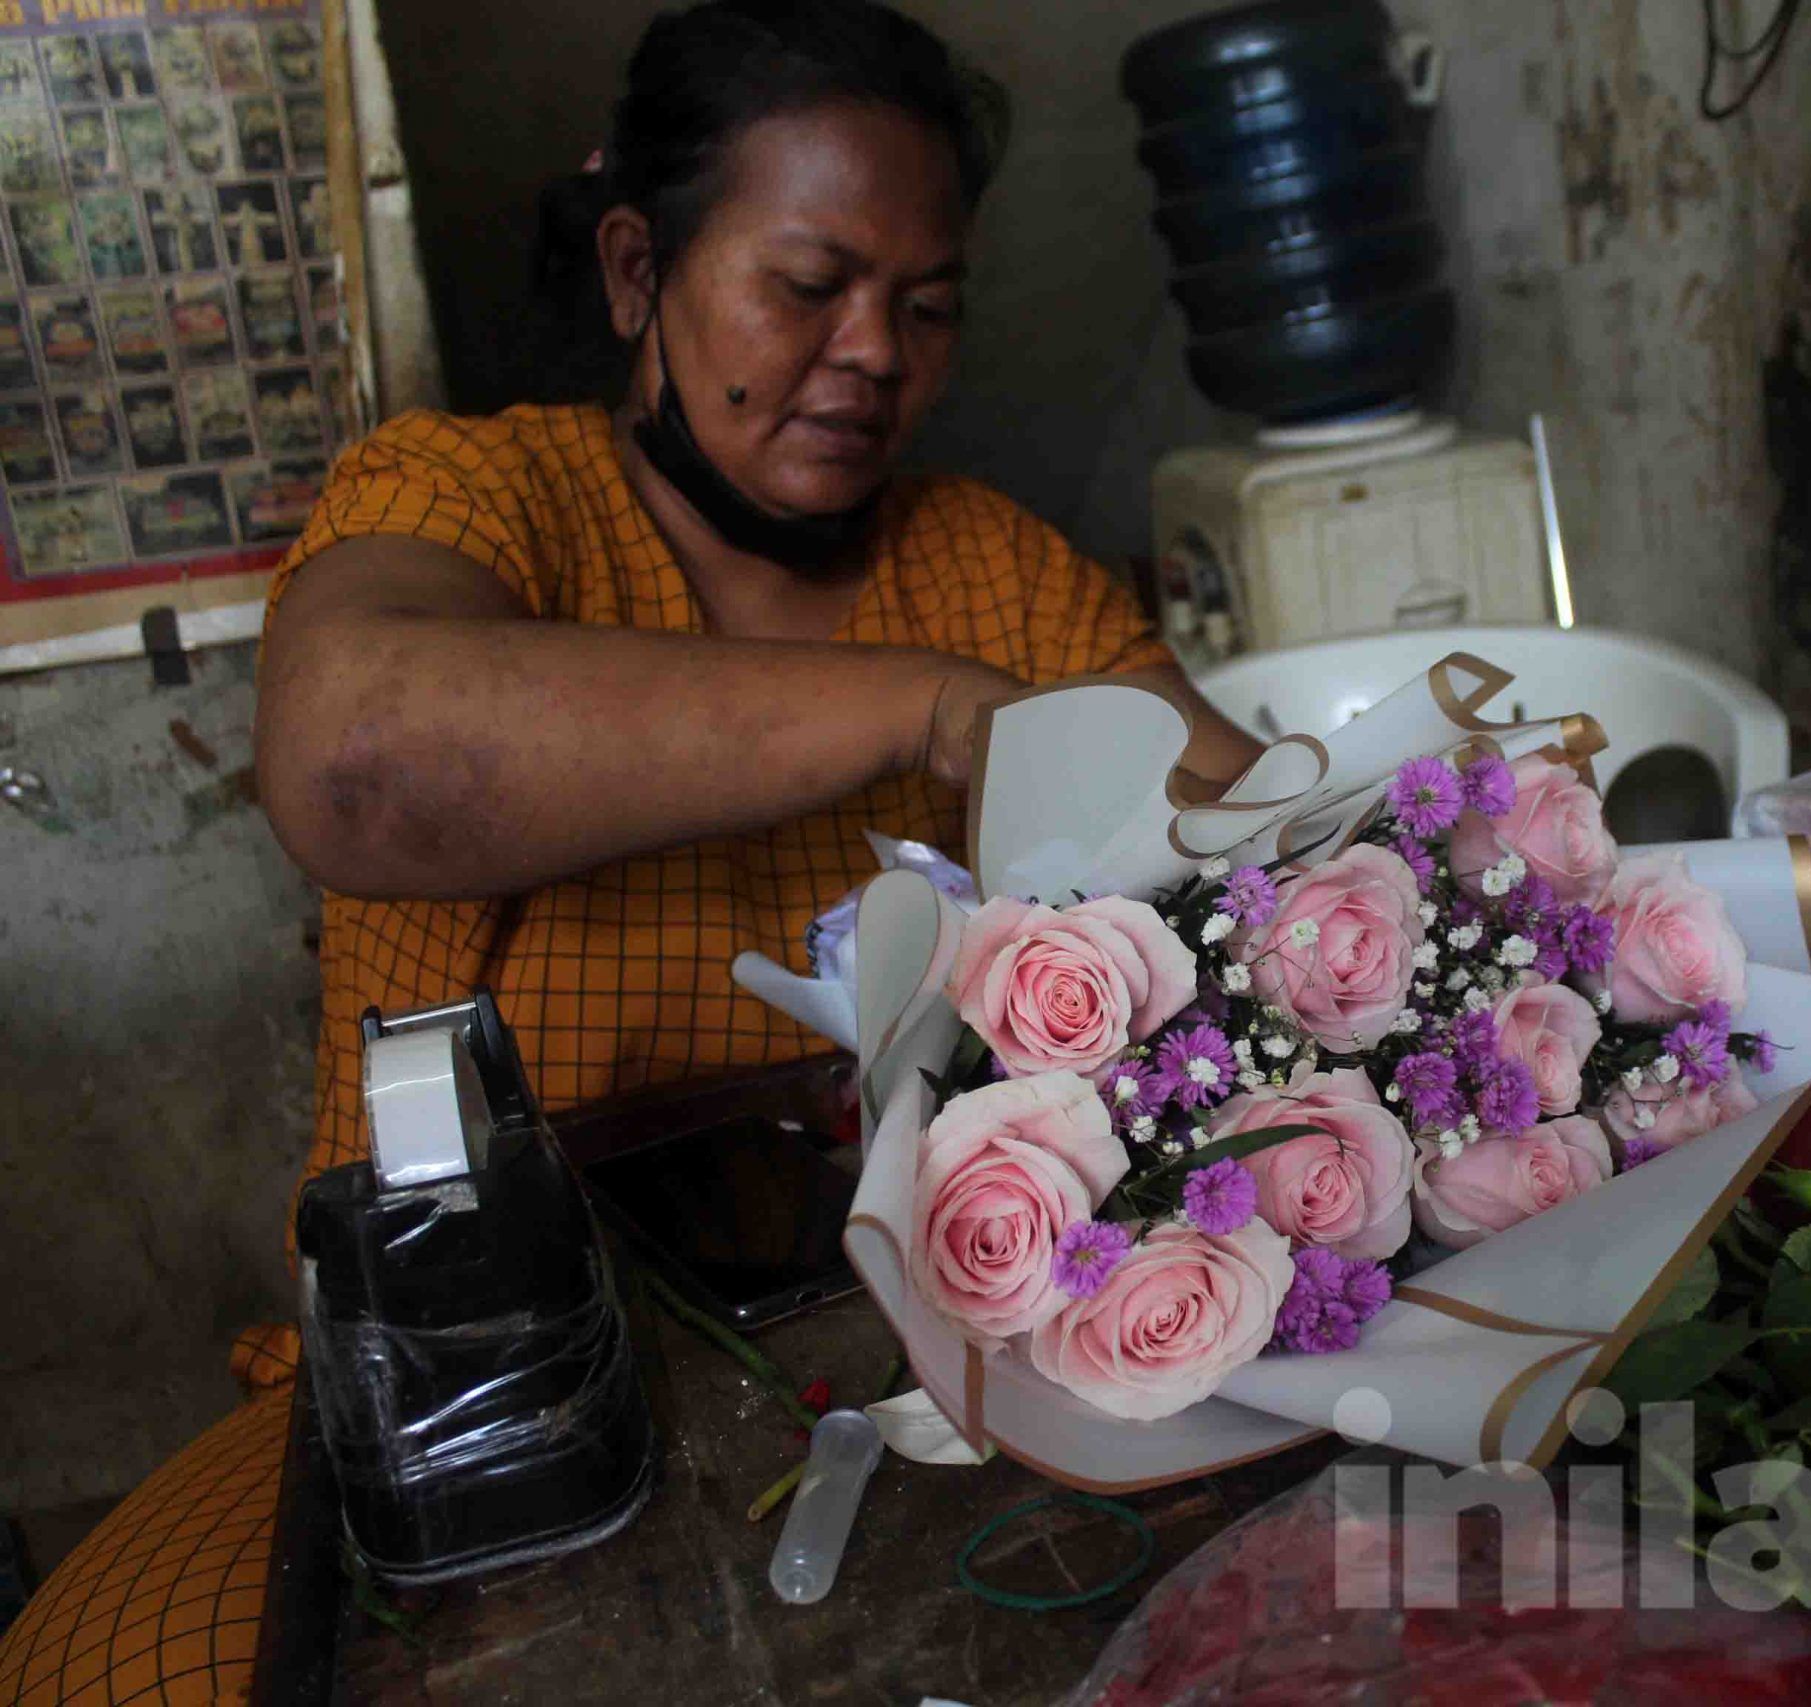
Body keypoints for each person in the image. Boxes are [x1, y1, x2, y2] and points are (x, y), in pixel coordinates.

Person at [0, 4, 1254, 1700]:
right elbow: (358, 763)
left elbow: (1253, 844)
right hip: (489, 1413)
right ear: (634, 271)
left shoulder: (991, 566)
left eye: (928, 304)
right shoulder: (477, 498)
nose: (876, 350)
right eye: (810, 287)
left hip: (926, 1369)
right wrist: (929, 712)